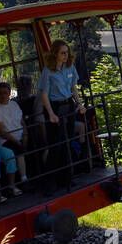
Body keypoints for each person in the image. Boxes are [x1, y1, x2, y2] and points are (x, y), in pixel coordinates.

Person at [38, 41, 85, 175]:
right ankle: (51, 179)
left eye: (67, 52)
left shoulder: (70, 67)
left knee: (68, 140)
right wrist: (51, 114)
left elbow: (73, 88)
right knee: (56, 144)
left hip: (68, 105)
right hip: (54, 106)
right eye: (62, 53)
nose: (66, 55)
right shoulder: (48, 71)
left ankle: (68, 176)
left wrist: (79, 104)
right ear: (55, 54)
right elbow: (44, 94)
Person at [0, 82, 29, 184]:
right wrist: (16, 141)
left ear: (9, 93)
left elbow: (22, 122)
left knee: (39, 143)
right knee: (19, 150)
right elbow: (0, 131)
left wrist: (25, 135)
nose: (3, 96)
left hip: (20, 136)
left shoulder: (14, 104)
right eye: (0, 93)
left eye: (5, 93)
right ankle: (24, 179)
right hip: (5, 140)